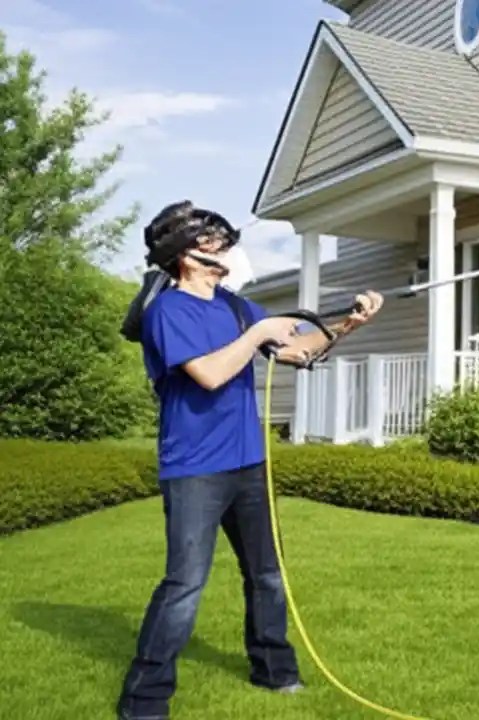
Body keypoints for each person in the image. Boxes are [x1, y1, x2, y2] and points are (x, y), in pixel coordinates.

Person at [116, 202, 383, 720]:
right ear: (185, 256)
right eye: (209, 239)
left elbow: (297, 350)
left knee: (266, 575)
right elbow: (211, 373)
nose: (222, 246)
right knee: (184, 584)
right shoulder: (168, 311)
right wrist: (259, 334)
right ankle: (144, 700)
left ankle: (275, 672)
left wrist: (348, 324)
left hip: (248, 464)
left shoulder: (236, 307)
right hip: (195, 469)